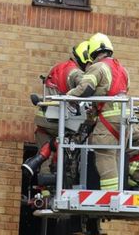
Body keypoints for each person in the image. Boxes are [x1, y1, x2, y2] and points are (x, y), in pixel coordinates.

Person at [67, 33, 129, 191]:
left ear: (93, 50)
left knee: (105, 158)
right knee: (115, 157)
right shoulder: (122, 70)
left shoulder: (98, 67)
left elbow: (85, 88)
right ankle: (117, 192)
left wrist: (66, 97)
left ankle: (111, 196)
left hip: (107, 122)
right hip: (124, 120)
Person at [23, 41, 90, 179]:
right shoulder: (74, 72)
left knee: (45, 165)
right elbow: (87, 86)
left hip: (44, 120)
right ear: (84, 59)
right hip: (60, 121)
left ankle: (46, 186)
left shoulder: (58, 67)